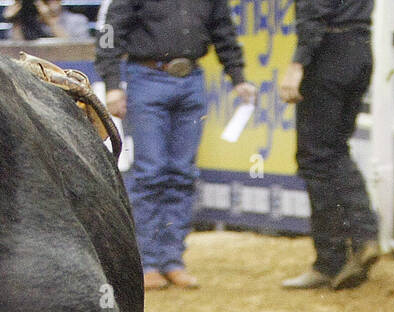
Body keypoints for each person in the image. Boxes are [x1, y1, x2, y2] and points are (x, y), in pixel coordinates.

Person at [97, 0, 256, 291]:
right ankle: (146, 262)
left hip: (190, 78)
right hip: (146, 76)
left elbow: (223, 32)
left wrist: (239, 77)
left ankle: (171, 260)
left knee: (182, 173)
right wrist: (113, 85)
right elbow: (110, 34)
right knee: (150, 173)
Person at [278, 0, 379, 291]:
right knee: (334, 150)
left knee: (315, 157)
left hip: (329, 52)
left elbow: (314, 12)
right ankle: (362, 237)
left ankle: (333, 257)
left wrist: (298, 63)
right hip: (359, 46)